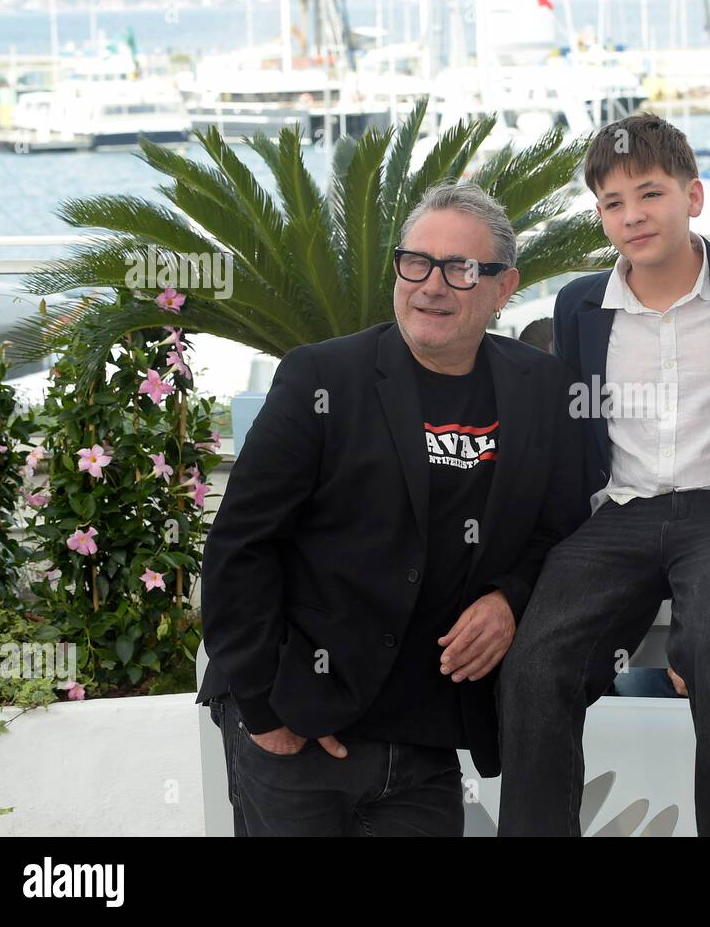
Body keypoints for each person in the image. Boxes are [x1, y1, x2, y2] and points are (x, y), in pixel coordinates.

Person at [196, 182, 586, 836]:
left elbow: (563, 530)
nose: (431, 284)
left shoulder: (540, 387)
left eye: (460, 269)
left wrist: (510, 598)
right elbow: (239, 547)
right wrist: (266, 713)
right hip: (301, 728)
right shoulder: (320, 378)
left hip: (428, 744)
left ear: (503, 285)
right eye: (416, 261)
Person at [497, 113, 710, 836]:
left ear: (693, 196)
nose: (632, 216)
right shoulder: (580, 306)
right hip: (618, 516)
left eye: (649, 194)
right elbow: (571, 431)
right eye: (612, 203)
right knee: (535, 664)